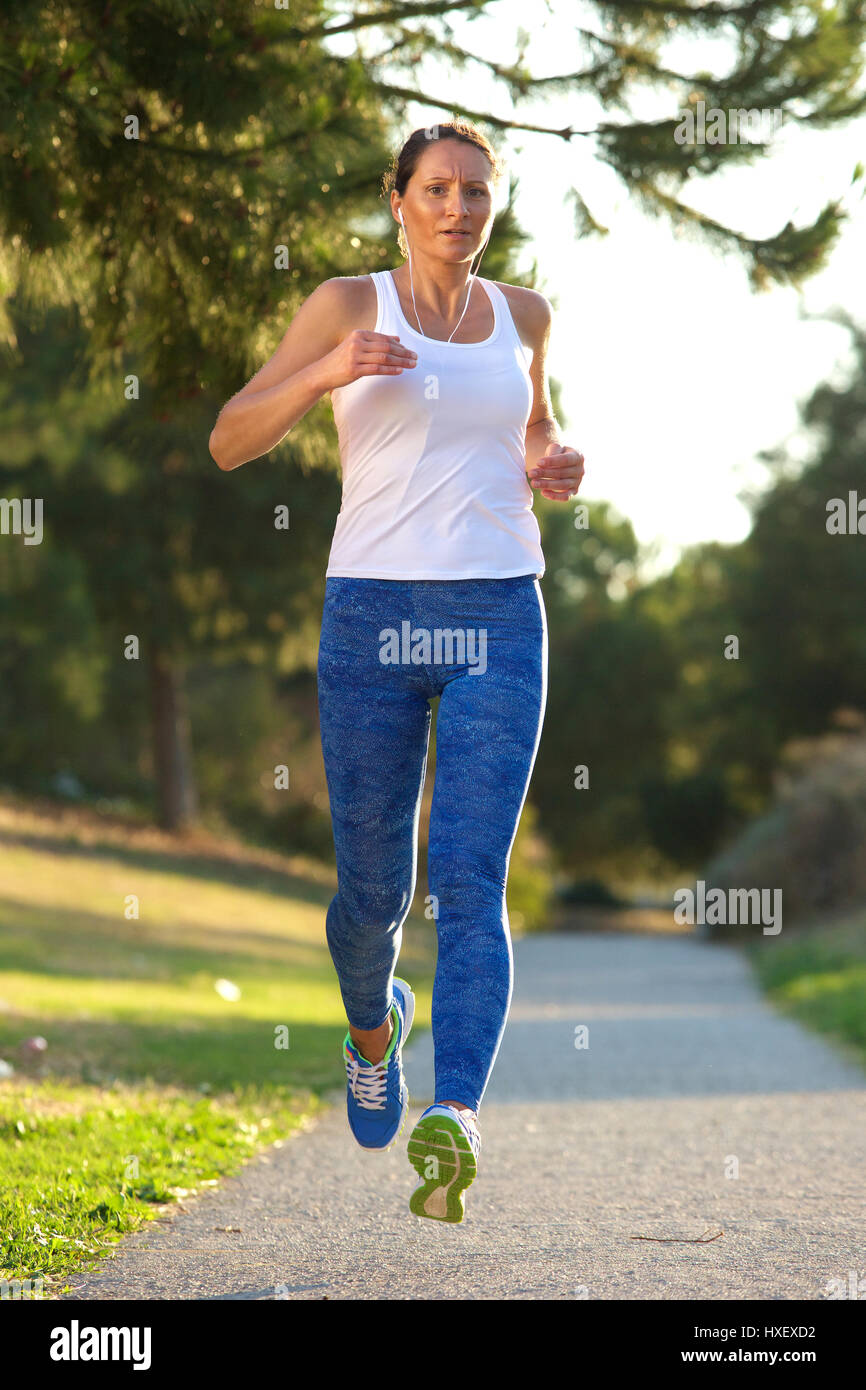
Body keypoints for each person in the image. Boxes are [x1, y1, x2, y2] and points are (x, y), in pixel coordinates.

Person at [209, 120, 586, 1223]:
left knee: (470, 875)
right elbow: (233, 437)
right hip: (371, 612)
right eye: (437, 189)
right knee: (371, 888)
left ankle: (454, 1114)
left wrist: (547, 460)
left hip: (497, 613)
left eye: (477, 191)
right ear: (399, 199)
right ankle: (374, 1031)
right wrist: (328, 370)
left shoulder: (523, 316)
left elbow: (529, 428)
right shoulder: (344, 302)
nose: (459, 208)